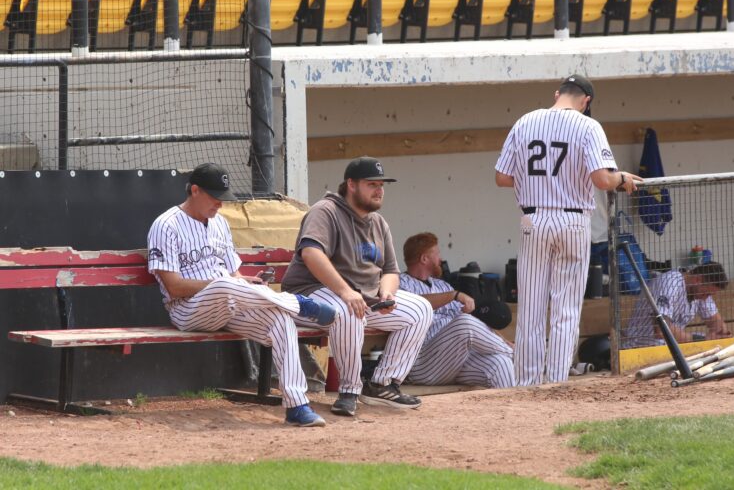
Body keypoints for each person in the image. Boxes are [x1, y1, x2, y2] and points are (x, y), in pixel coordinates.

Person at [147, 163, 337, 428]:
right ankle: (297, 304)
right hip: (187, 309)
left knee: (279, 321)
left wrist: (245, 282)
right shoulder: (166, 225)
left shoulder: (220, 224)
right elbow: (174, 287)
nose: (220, 205)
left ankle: (296, 405)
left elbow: (233, 275)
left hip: (229, 303)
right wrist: (226, 283)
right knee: (224, 285)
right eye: (215, 198)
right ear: (195, 190)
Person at [494, 74, 643, 386]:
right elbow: (603, 180)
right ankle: (556, 383)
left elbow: (502, 178)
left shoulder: (526, 121)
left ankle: (527, 384)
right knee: (565, 310)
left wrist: (538, 183)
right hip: (572, 220)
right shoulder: (588, 125)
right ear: (586, 101)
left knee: (532, 308)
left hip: (533, 220)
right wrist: (621, 178)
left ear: (557, 93)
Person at [281, 157, 433, 417]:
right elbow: (311, 254)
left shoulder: (378, 222)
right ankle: (349, 389)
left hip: (360, 297)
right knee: (349, 310)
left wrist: (386, 292)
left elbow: (390, 271)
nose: (379, 190)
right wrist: (345, 291)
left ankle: (383, 384)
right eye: (371, 184)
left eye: (381, 185)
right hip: (309, 294)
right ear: (351, 185)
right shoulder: (326, 211)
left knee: (420, 309)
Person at [399, 232, 516, 388]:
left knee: (501, 363)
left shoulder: (442, 285)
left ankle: (512, 411)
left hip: (454, 360)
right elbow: (417, 304)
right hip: (423, 362)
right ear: (424, 258)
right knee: (464, 323)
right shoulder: (401, 283)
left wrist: (502, 340)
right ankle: (519, 357)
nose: (440, 259)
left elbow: (473, 323)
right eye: (437, 254)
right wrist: (454, 295)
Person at [623, 262, 731, 348]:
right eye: (706, 293)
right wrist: (702, 339)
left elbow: (717, 325)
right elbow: (661, 330)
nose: (706, 297)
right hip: (640, 348)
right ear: (697, 279)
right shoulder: (671, 282)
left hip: (669, 350)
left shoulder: (699, 291)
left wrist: (722, 335)